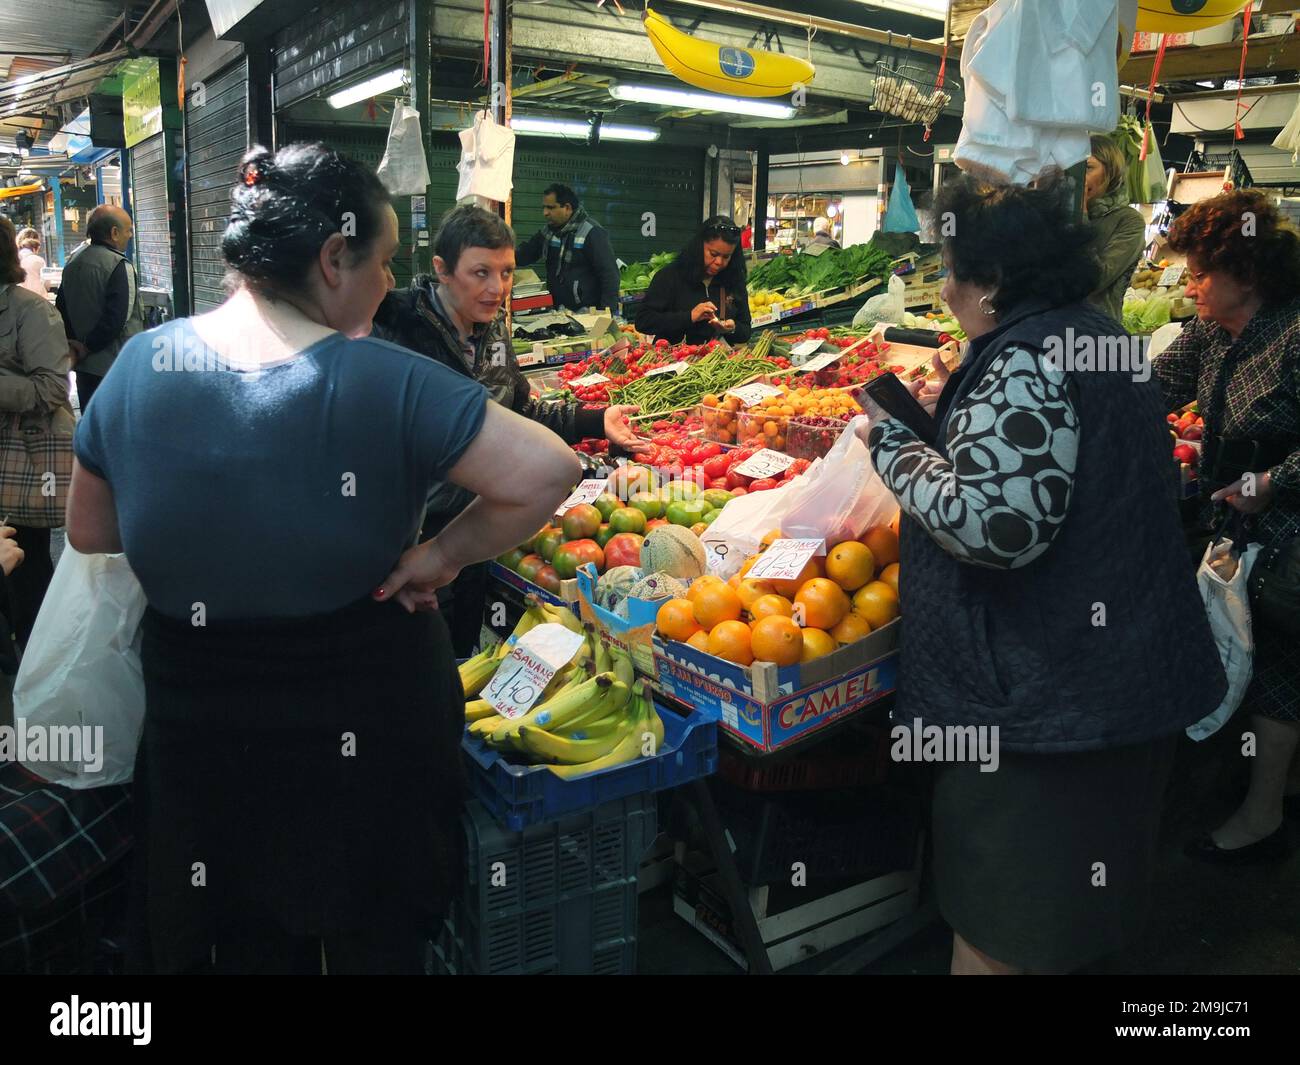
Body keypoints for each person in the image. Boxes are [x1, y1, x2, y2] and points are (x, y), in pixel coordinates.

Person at [65, 143, 581, 975]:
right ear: (334, 257)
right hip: (362, 723)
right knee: (372, 934)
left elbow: (91, 531)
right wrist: (439, 555)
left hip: (204, 731)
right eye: (382, 263)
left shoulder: (136, 367)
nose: (387, 284)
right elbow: (551, 469)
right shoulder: (385, 379)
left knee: (233, 932)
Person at [856, 173, 1226, 975]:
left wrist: (890, 442)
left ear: (990, 280)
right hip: (1117, 684)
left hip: (1044, 706)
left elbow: (996, 528)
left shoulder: (1026, 361)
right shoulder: (1092, 335)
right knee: (1073, 920)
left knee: (1003, 929)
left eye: (951, 267)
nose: (944, 286)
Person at [372, 204, 646, 655]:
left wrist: (595, 420)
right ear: (442, 270)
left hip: (473, 535)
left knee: (461, 655)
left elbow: (518, 415)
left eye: (506, 272)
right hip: (410, 539)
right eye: (480, 273)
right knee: (415, 662)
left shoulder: (494, 333)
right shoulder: (396, 330)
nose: (496, 288)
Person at [1152, 189, 1300, 864]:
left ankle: (1261, 815)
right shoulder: (1211, 333)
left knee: (1278, 663)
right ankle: (1273, 778)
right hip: (1234, 530)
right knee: (1251, 649)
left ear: (1247, 273)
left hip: (1289, 536)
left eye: (1202, 270)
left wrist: (1272, 484)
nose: (1190, 282)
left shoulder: (1294, 335)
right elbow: (1149, 383)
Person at [0, 215, 73, 647]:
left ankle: (35, 653)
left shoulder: (31, 311)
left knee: (26, 567)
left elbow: (51, 388)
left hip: (22, 461)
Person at [55, 205, 142, 412]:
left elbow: (61, 308)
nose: (130, 235)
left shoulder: (73, 262)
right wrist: (89, 346)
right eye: (128, 229)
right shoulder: (119, 265)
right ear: (114, 233)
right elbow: (116, 319)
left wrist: (77, 346)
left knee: (91, 420)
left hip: (84, 366)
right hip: (114, 365)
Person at [635, 216, 752, 345]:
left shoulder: (734, 280)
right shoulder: (671, 275)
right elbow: (643, 321)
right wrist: (689, 316)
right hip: (672, 360)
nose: (719, 262)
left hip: (715, 361)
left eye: (726, 256)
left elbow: (746, 331)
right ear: (699, 246)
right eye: (713, 254)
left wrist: (732, 328)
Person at [515, 183, 620, 316]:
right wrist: (501, 259)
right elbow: (526, 254)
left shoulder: (592, 233)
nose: (545, 213)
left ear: (567, 208)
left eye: (551, 208)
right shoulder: (549, 232)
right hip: (559, 313)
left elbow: (609, 275)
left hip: (588, 315)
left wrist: (605, 315)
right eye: (544, 207)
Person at [1084, 133, 1146, 324]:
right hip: (1047, 331)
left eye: (1088, 168)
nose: (1079, 176)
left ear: (1111, 172)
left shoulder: (1129, 221)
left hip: (1095, 333)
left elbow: (1094, 279)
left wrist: (1080, 216)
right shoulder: (1056, 214)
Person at [15, 228, 47, 297]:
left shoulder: (13, 260)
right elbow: (47, 284)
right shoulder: (39, 260)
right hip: (38, 299)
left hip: (17, 299)